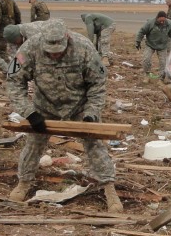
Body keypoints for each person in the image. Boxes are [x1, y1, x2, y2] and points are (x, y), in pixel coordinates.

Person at [7, 20, 122, 213]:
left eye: (58, 50)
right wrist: (29, 113)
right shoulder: (28, 49)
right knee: (34, 143)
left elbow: (98, 83)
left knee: (95, 144)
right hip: (44, 107)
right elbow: (13, 82)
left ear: (67, 38)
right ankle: (24, 182)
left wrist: (91, 112)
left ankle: (109, 188)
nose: (54, 54)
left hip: (79, 106)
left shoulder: (84, 47)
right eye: (50, 51)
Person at [135, 10, 171, 81]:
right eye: (161, 21)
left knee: (163, 62)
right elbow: (142, 31)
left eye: (163, 21)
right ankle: (147, 75)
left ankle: (161, 78)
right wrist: (138, 41)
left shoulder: (168, 23)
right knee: (146, 59)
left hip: (162, 46)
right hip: (150, 44)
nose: (162, 22)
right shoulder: (150, 23)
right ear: (157, 18)